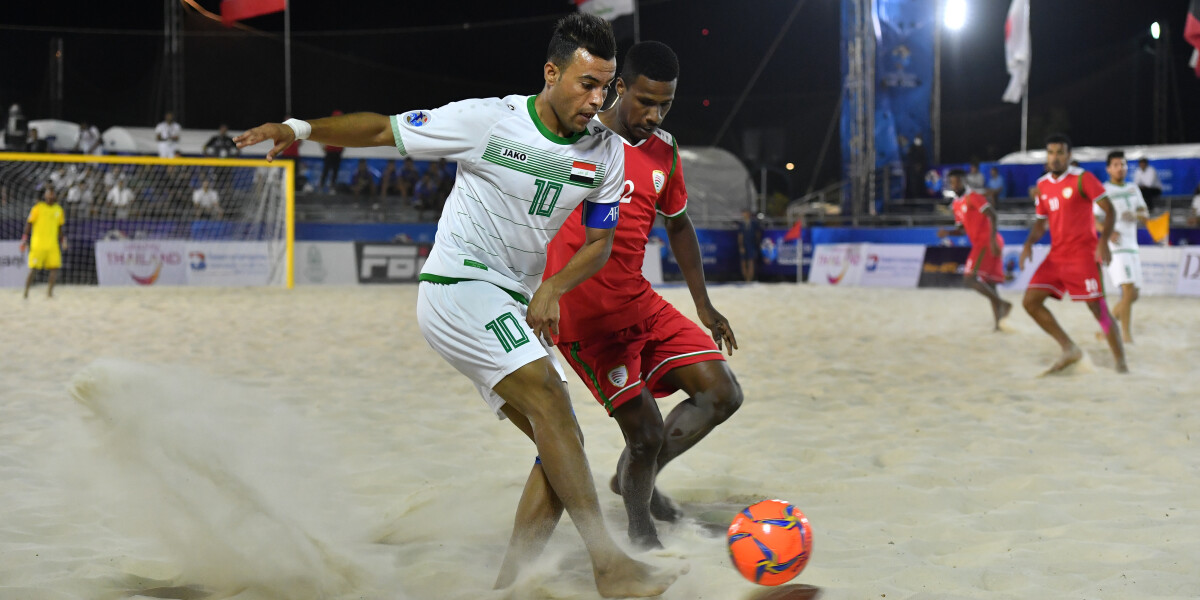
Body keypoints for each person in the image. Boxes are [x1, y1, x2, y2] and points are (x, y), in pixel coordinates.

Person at [233, 13, 680, 599]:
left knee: (559, 443)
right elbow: (383, 130)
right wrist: (299, 128)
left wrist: (552, 287)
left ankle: (511, 585)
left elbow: (599, 244)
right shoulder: (488, 120)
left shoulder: (606, 153)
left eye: (605, 87)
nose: (598, 100)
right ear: (551, 74)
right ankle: (609, 566)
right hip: (457, 286)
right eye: (586, 84)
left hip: (515, 300)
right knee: (551, 403)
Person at [545, 40, 742, 549]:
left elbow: (678, 224)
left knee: (722, 394)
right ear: (619, 88)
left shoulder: (665, 151)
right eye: (645, 102)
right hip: (586, 318)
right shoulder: (573, 138)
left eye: (666, 105)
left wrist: (703, 305)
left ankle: (636, 477)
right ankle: (642, 533)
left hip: (639, 302)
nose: (654, 116)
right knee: (646, 435)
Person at [1019, 134, 1126, 374]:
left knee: (1098, 309)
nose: (1055, 157)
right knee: (1030, 302)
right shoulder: (1042, 185)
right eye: (1051, 152)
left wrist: (1103, 242)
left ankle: (1121, 364)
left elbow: (1110, 211)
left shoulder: (1082, 179)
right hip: (1056, 256)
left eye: (1060, 152)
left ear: (1069, 155)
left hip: (1083, 255)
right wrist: (1028, 245)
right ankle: (1069, 348)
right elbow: (1040, 223)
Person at [937, 168, 1012, 330]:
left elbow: (992, 214)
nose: (955, 185)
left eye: (958, 181)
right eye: (952, 182)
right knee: (990, 284)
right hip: (984, 243)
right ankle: (999, 324)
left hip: (986, 242)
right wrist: (947, 232)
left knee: (969, 279)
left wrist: (992, 241)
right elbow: (962, 229)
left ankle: (1002, 304)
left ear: (965, 181)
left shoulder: (973, 197)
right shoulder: (956, 204)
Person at [1092, 150, 1148, 344]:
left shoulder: (1133, 188)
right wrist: (1107, 232)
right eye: (1116, 165)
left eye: (1123, 164)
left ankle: (1105, 331)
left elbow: (1145, 213)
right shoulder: (1103, 190)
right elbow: (1094, 220)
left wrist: (1136, 215)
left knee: (1134, 294)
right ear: (1108, 169)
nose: (1120, 168)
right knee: (1128, 290)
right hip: (1115, 247)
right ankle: (1125, 336)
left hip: (1132, 245)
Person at [19, 185, 67, 299]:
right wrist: (24, 239)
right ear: (45, 195)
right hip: (38, 245)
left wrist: (63, 240)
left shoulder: (59, 210)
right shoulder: (37, 208)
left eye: (52, 194)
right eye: (48, 194)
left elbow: (60, 228)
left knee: (55, 268)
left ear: (54, 196)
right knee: (33, 269)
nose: (50, 196)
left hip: (52, 245)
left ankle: (49, 293)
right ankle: (26, 292)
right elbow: (29, 224)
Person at [318, 110, 345, 191]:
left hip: (338, 152)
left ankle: (332, 187)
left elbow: (345, 139)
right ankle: (321, 186)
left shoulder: (342, 128)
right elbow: (320, 136)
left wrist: (342, 148)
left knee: (335, 171)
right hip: (330, 152)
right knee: (326, 170)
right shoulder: (329, 127)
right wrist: (323, 147)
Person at [735, 209, 761, 283]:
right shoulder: (741, 224)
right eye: (743, 213)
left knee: (751, 261)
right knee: (743, 262)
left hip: (752, 244)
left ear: (749, 214)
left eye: (746, 213)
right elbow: (740, 236)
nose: (744, 215)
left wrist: (757, 243)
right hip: (744, 244)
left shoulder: (754, 223)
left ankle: (750, 279)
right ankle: (746, 278)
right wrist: (741, 246)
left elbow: (758, 233)